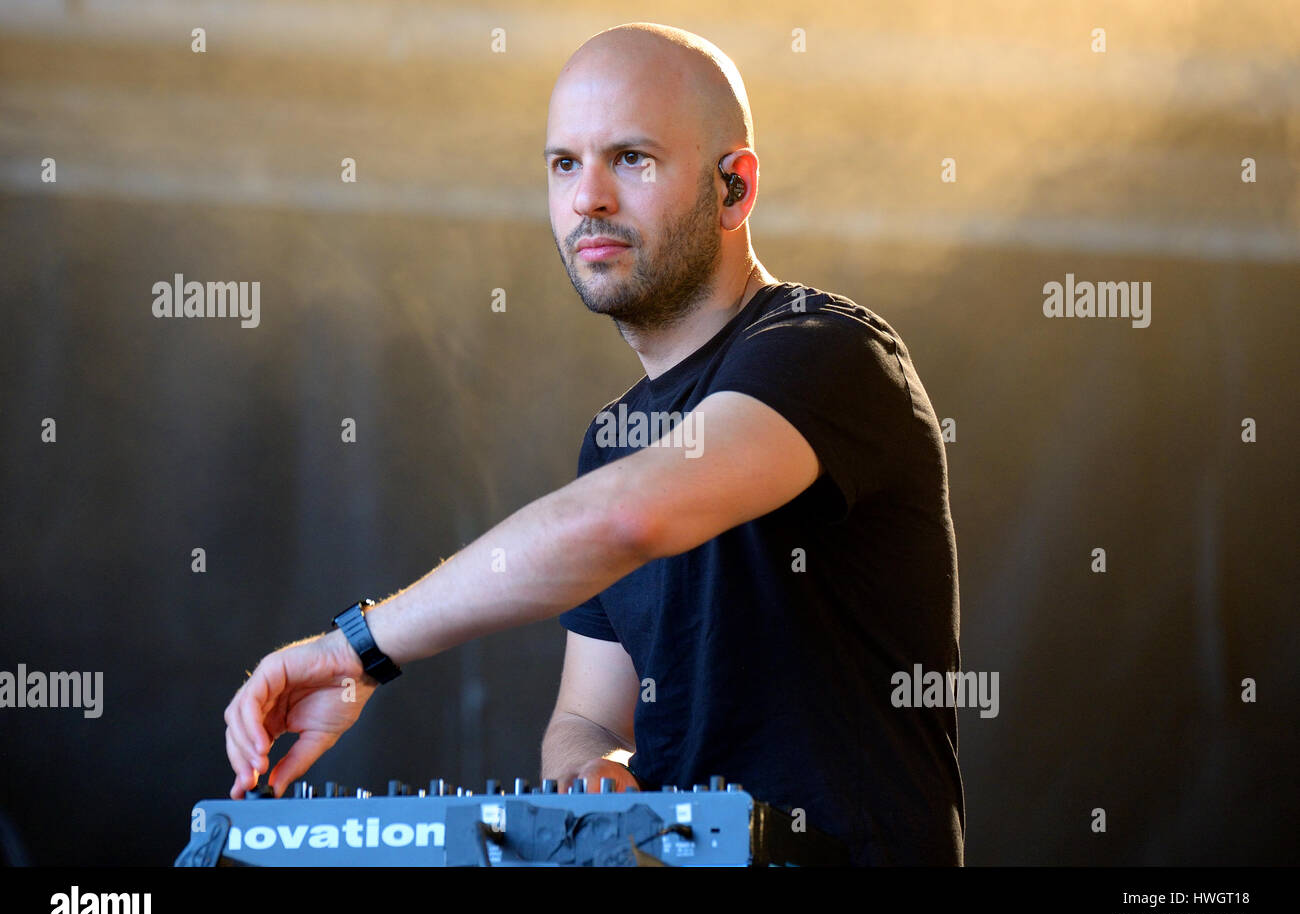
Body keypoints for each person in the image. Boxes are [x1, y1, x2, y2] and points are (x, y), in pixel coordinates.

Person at [222, 22, 965, 866]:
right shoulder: (614, 443)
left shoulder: (826, 353)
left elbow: (623, 520)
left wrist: (353, 649)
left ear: (734, 187)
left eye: (632, 158)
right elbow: (587, 721)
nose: (588, 199)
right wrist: (594, 773)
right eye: (564, 165)